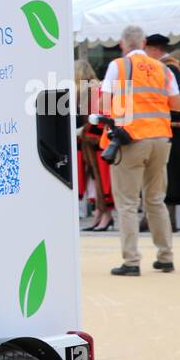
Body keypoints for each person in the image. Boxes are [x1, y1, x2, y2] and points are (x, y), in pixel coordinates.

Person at [99, 25, 180, 275]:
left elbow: (104, 101)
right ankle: (165, 257)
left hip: (130, 138)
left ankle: (131, 261)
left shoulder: (119, 66)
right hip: (160, 138)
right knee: (155, 199)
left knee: (127, 203)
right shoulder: (163, 68)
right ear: (145, 42)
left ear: (122, 44)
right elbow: (177, 104)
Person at [75, 59, 113, 231]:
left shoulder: (90, 90)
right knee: (96, 180)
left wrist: (83, 132)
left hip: (96, 140)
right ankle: (100, 213)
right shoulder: (92, 88)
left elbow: (95, 117)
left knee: (100, 179)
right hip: (92, 140)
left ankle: (105, 214)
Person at [160, 52, 180, 231]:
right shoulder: (171, 71)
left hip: (167, 133)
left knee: (167, 178)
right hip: (172, 134)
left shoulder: (169, 69)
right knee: (169, 177)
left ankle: (167, 221)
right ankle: (169, 220)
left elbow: (176, 106)